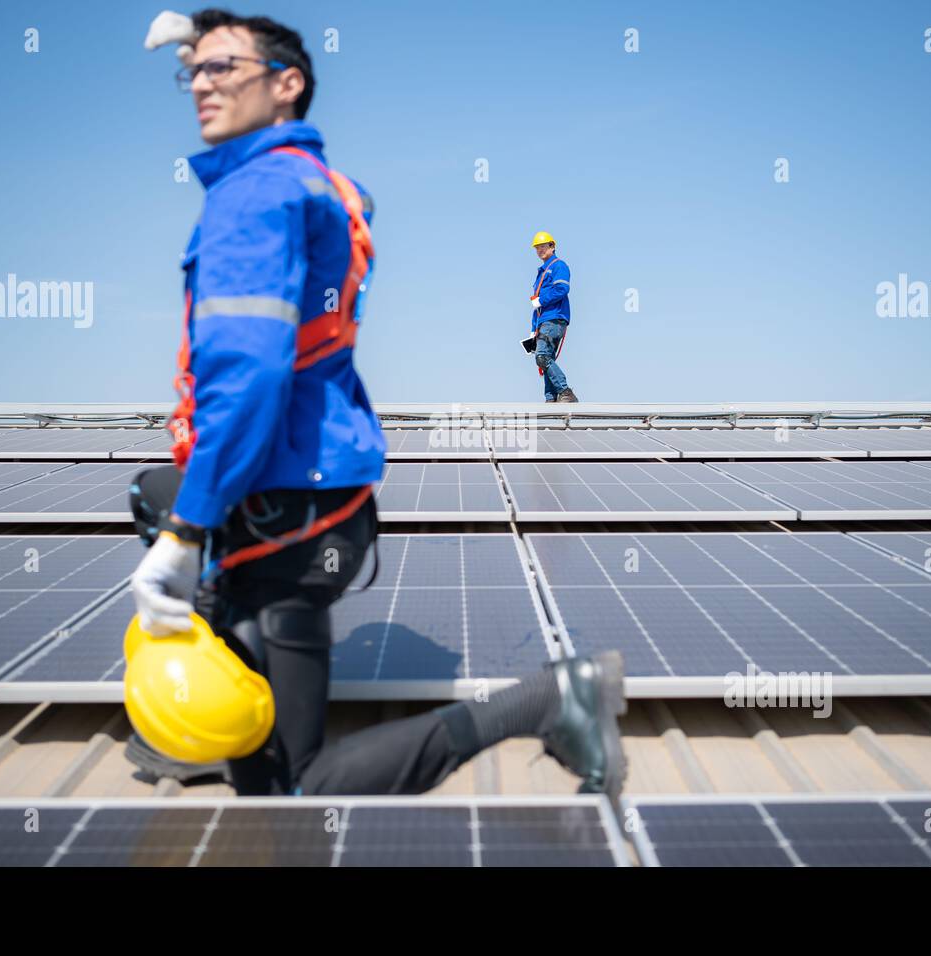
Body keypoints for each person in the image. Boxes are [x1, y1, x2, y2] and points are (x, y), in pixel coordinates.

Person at [127, 9, 625, 798]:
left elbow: (249, 371)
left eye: (224, 68)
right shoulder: (321, 188)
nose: (200, 83)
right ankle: (209, 723)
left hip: (277, 512)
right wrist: (215, 35)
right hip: (322, 495)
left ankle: (546, 702)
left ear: (287, 84)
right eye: (193, 70)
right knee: (154, 495)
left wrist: (190, 528)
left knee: (297, 785)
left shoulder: (254, 195)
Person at [529, 231, 578, 402]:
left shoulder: (558, 266)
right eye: (537, 248)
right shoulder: (542, 272)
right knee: (546, 357)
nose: (539, 250)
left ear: (552, 246)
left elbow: (562, 289)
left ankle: (565, 391)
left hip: (554, 317)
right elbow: (537, 307)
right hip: (544, 321)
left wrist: (541, 299)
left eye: (543, 246)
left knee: (542, 356)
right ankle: (551, 398)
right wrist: (533, 330)